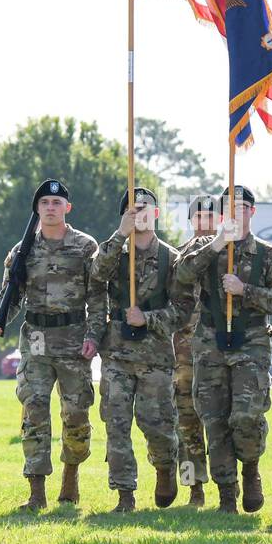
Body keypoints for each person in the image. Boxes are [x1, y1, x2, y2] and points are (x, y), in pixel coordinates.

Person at [173, 185, 272, 513]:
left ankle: (250, 468)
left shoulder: (268, 255)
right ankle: (227, 495)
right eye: (230, 208)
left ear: (252, 212)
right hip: (210, 343)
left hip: (250, 342)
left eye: (243, 207)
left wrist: (246, 291)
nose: (237, 213)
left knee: (245, 415)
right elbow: (181, 275)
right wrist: (217, 245)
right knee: (214, 420)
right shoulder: (205, 248)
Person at [0, 179, 103, 511]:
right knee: (34, 409)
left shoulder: (85, 246)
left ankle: (71, 476)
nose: (50, 207)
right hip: (36, 337)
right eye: (44, 203)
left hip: (73, 337)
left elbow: (98, 298)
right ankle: (36, 489)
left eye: (56, 202)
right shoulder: (22, 250)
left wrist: (94, 336)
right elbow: (11, 294)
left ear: (67, 208)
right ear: (37, 209)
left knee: (76, 412)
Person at [90, 187, 192, 511]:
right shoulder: (115, 253)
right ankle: (124, 494)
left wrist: (147, 318)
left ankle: (164, 468)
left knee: (157, 423)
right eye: (134, 209)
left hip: (155, 356)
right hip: (117, 353)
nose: (141, 213)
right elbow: (95, 273)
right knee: (116, 423)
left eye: (146, 207)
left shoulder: (172, 259)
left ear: (157, 214)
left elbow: (183, 310)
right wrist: (121, 233)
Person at [171, 195, 217, 506]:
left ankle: (230, 487)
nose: (204, 222)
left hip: (221, 353)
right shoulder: (178, 259)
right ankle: (193, 488)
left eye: (211, 216)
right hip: (185, 353)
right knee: (186, 423)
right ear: (191, 220)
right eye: (198, 216)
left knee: (222, 420)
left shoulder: (233, 254)